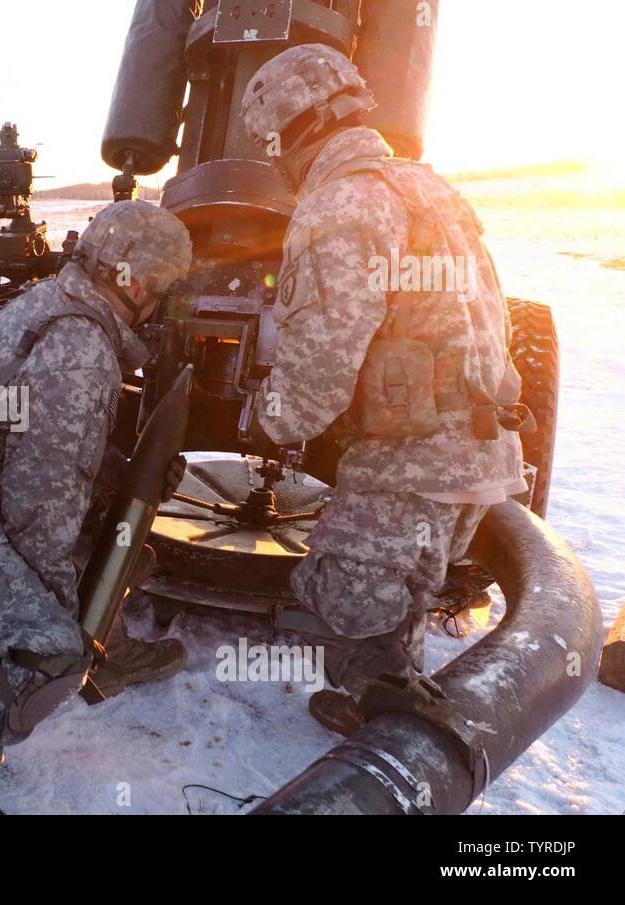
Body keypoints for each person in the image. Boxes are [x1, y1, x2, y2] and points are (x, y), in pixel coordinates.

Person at [240, 44, 529, 733]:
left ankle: (405, 756)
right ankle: (386, 709)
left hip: (412, 458)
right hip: (478, 450)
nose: (274, 158)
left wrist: (262, 419)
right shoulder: (425, 187)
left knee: (344, 602)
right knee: (405, 596)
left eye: (272, 141)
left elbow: (319, 364)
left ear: (295, 130)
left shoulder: (341, 204)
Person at [0, 201, 193, 768]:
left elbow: (49, 440)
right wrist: (57, 607)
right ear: (141, 283)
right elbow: (42, 496)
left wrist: (124, 474)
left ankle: (111, 652)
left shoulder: (63, 304)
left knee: (109, 541)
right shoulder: (81, 347)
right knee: (50, 653)